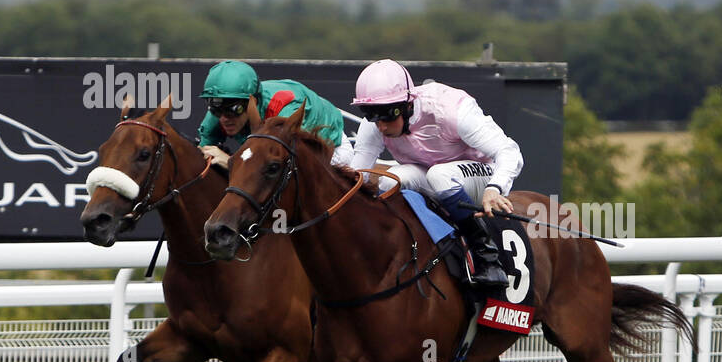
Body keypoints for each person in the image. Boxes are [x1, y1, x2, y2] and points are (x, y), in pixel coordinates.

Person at [348, 58, 523, 288]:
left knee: (439, 175)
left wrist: (494, 188)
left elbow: (509, 151)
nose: (380, 126)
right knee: (390, 181)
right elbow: (355, 175)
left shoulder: (451, 110)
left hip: (480, 176)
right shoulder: (376, 125)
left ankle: (487, 256)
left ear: (407, 105)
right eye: (371, 115)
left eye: (386, 115)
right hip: (431, 174)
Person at [196, 60, 353, 168]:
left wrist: (231, 162)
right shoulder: (220, 113)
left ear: (254, 102)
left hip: (329, 147)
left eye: (234, 109)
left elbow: (282, 167)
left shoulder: (284, 110)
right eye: (217, 109)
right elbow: (203, 155)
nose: (224, 118)